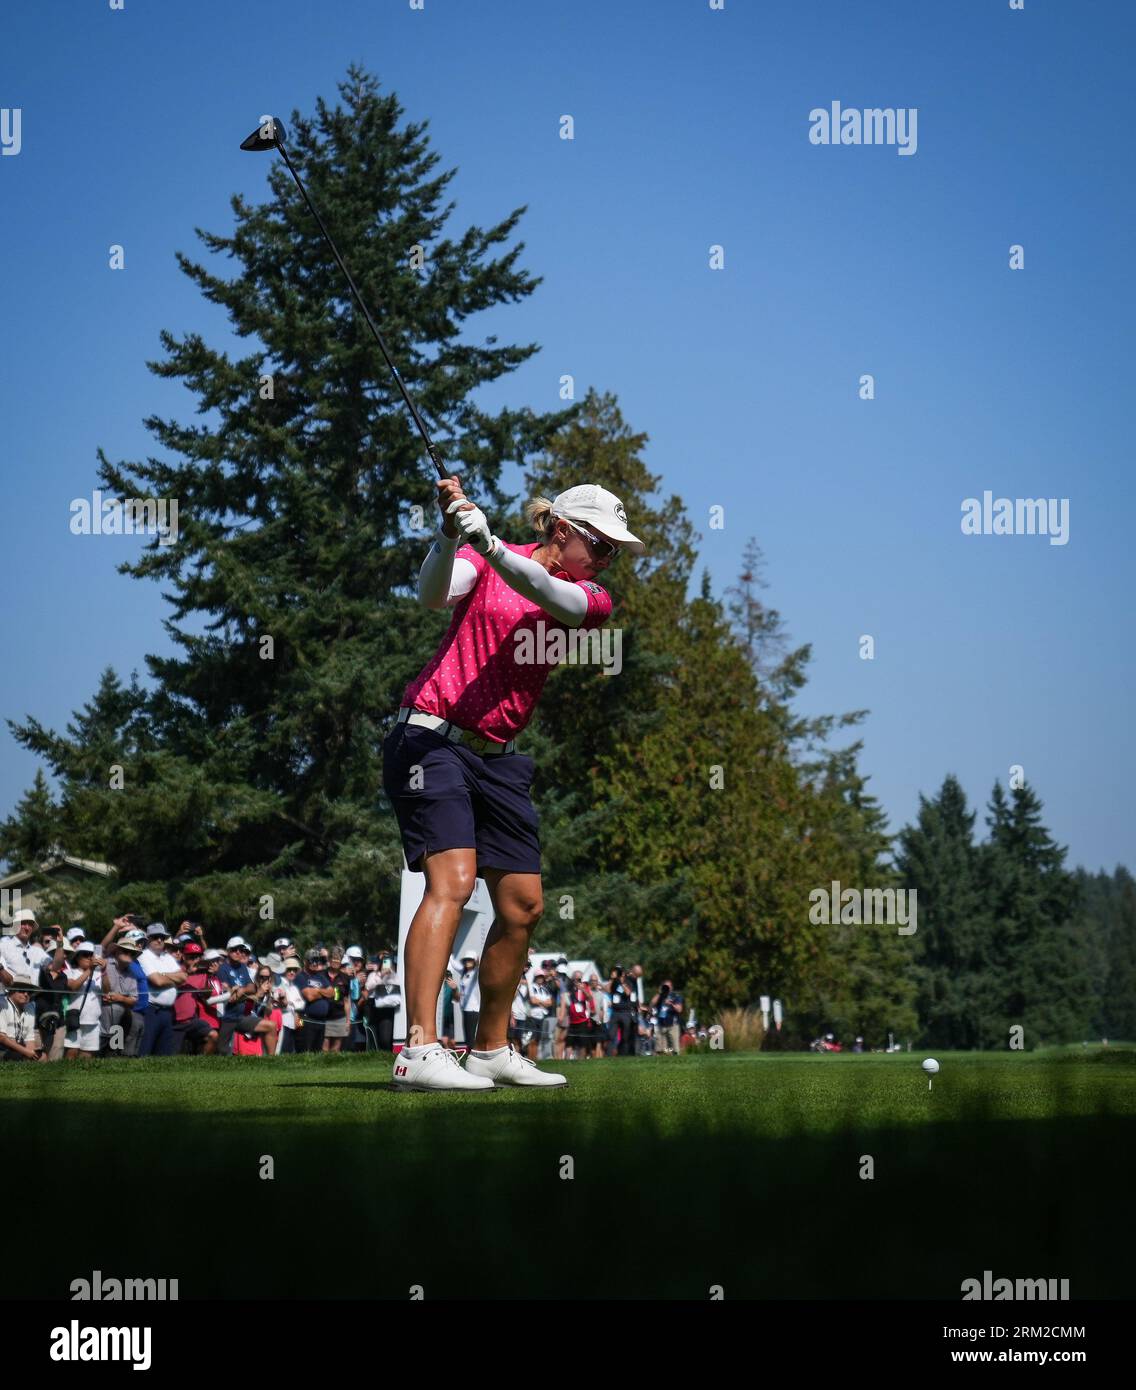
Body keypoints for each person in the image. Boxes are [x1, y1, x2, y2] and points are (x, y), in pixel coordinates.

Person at [382, 480, 643, 1091]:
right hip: (430, 739)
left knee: (523, 905)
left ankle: (490, 1049)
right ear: (563, 530)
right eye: (601, 547)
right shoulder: (483, 557)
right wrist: (449, 535)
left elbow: (547, 592)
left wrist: (492, 543)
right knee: (452, 881)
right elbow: (430, 595)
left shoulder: (589, 598)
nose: (607, 562)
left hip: (498, 758)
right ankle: (417, 1050)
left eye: (613, 553)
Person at [137, 925, 183, 1057]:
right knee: (146, 1050)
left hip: (167, 1011)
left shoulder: (167, 957)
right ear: (148, 939)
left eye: (162, 937)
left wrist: (163, 975)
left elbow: (183, 977)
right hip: (152, 1010)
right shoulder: (143, 956)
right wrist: (171, 977)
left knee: (164, 1054)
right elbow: (157, 981)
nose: (159, 940)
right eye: (155, 937)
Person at [100, 939, 148, 1056]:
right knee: (96, 1052)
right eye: (125, 951)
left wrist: (119, 998)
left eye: (132, 953)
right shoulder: (104, 964)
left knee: (113, 1053)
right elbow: (102, 991)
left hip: (120, 1020)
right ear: (116, 951)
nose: (129, 954)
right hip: (99, 1016)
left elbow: (134, 1000)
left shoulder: (132, 975)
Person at [63, 942, 103, 1060]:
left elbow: (108, 990)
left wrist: (104, 970)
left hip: (93, 1020)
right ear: (77, 957)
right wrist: (90, 970)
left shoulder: (99, 974)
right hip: (75, 1019)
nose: (90, 957)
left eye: (92, 955)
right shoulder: (70, 972)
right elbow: (73, 987)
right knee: (71, 1052)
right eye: (85, 954)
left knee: (87, 1056)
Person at [177, 944, 218, 1055]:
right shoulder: (175, 969)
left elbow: (206, 996)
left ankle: (201, 1063)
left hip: (191, 1019)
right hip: (174, 1020)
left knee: (213, 1036)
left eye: (198, 957)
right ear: (184, 957)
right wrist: (188, 973)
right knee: (173, 1054)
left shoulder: (202, 974)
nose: (196, 960)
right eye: (192, 957)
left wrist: (210, 977)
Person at [294, 949, 333, 1053]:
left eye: (318, 960)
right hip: (305, 1020)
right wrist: (323, 992)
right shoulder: (300, 977)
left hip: (321, 1020)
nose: (316, 963)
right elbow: (309, 996)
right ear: (305, 962)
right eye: (313, 960)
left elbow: (332, 993)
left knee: (318, 1051)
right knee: (305, 1049)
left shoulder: (321, 977)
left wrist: (317, 991)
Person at [0, 977, 45, 1061]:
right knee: (20, 1057)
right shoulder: (2, 1003)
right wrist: (26, 1052)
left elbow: (29, 1039)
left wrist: (32, 1053)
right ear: (11, 990)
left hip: (18, 1048)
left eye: (29, 992)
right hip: (3, 1048)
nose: (26, 994)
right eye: (22, 990)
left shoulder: (30, 1007)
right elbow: (2, 1037)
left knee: (43, 1057)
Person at [322, 949, 350, 1053]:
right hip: (325, 1016)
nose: (336, 962)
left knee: (336, 1047)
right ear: (329, 960)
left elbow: (347, 1000)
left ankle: (334, 1067)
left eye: (338, 960)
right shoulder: (322, 975)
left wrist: (348, 1020)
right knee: (324, 1046)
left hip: (339, 1016)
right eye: (333, 959)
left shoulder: (345, 978)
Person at [457, 954, 480, 1052]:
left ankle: (473, 1056)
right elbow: (454, 964)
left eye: (470, 960)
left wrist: (478, 964)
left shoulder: (475, 972)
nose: (467, 962)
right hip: (465, 1009)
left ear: (474, 961)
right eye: (466, 960)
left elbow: (478, 970)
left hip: (473, 1009)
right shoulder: (464, 973)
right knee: (467, 1037)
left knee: (471, 1037)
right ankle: (470, 1055)